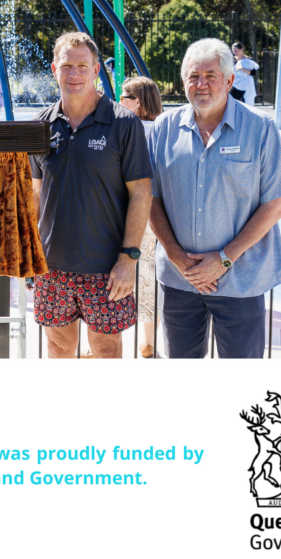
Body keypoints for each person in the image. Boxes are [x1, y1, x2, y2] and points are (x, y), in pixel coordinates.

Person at [149, 38, 281, 359]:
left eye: (211, 76)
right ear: (183, 81)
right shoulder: (163, 129)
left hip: (241, 278)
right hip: (179, 279)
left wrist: (225, 258)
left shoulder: (259, 129)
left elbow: (274, 204)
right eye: (193, 76)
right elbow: (151, 197)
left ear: (229, 80)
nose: (202, 84)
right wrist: (175, 254)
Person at [29, 32, 153, 359]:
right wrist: (31, 256)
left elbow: (141, 194)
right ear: (54, 68)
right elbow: (35, 195)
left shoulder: (124, 123)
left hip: (108, 267)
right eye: (67, 65)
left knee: (107, 350)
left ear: (96, 69)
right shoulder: (41, 125)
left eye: (82, 65)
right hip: (51, 267)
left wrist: (129, 258)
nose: (74, 74)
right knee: (57, 348)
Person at [119, 75, 164, 358]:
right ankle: (149, 341)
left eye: (124, 97)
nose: (119, 101)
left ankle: (112, 338)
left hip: (130, 211)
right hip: (158, 214)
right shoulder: (165, 130)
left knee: (121, 274)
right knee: (149, 276)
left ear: (136, 103)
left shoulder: (127, 130)